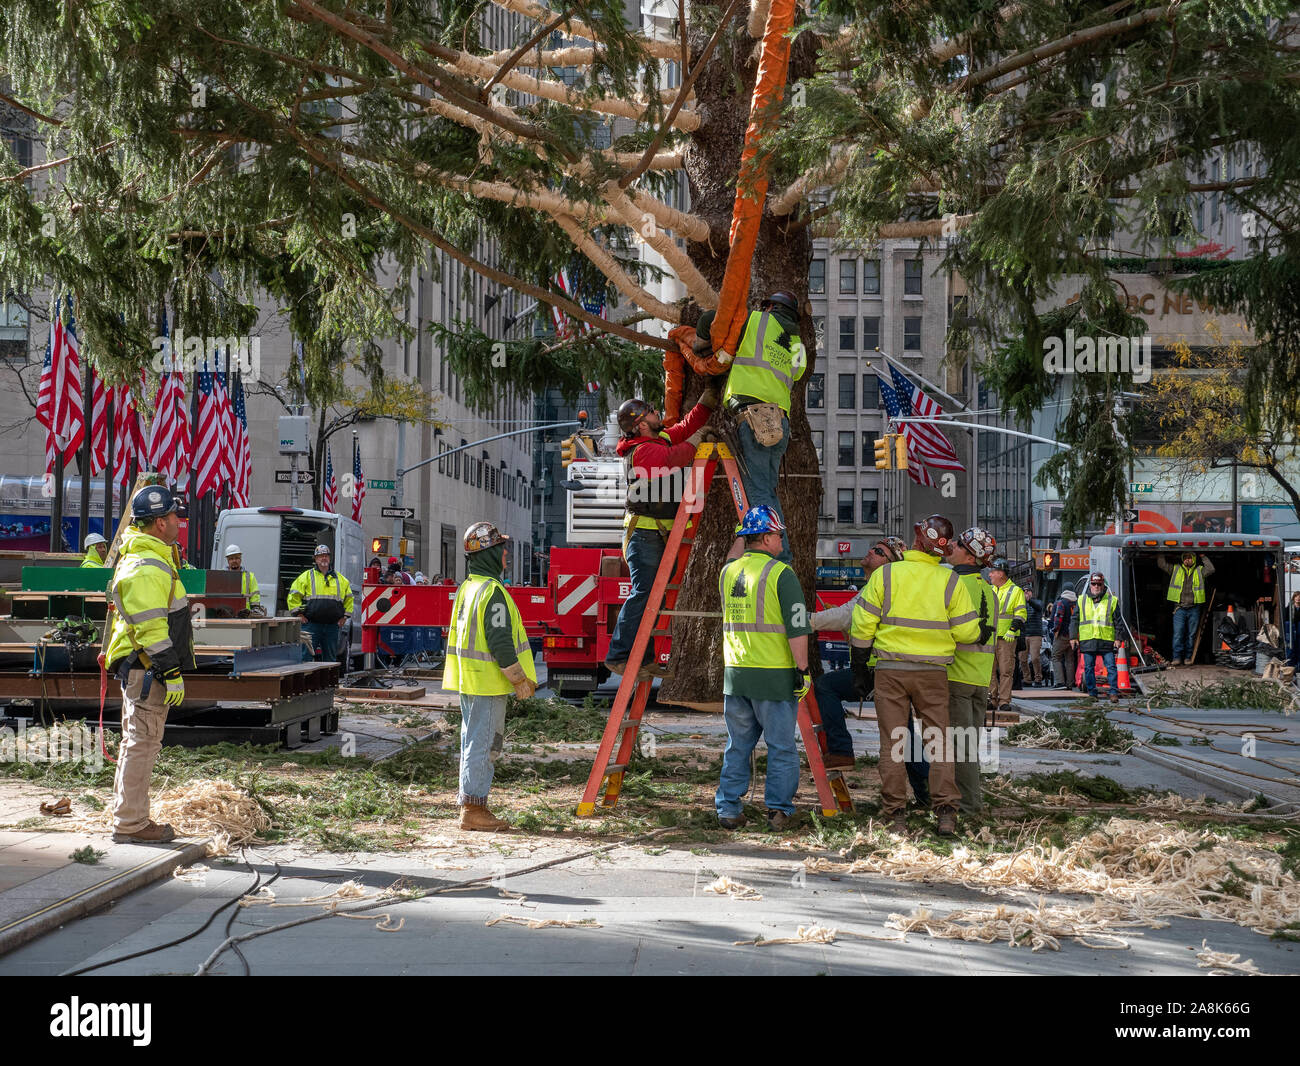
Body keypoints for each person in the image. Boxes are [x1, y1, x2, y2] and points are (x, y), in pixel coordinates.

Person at [850, 514, 980, 836]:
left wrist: (859, 666)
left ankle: (895, 816)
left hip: (890, 671)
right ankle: (946, 813)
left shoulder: (887, 575)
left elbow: (862, 626)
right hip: (933, 673)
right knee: (939, 744)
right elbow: (967, 633)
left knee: (894, 744)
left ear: (918, 538)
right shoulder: (950, 581)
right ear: (943, 548)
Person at [605, 384, 720, 675]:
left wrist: (704, 406)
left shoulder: (659, 440)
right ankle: (618, 654)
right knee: (643, 593)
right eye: (652, 413)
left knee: (654, 596)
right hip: (644, 535)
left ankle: (643, 659)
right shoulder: (643, 452)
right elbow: (675, 458)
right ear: (641, 424)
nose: (658, 414)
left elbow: (683, 428)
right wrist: (697, 440)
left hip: (657, 533)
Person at [102, 485, 194, 843]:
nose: (177, 521)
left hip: (141, 668)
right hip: (149, 670)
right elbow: (153, 629)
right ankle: (131, 824)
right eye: (173, 516)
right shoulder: (148, 565)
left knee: (136, 742)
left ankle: (128, 816)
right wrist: (171, 672)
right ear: (158, 523)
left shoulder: (149, 557)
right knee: (143, 743)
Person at [809, 536, 930, 803]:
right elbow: (851, 617)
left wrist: (808, 620)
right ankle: (927, 793)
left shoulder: (881, 584)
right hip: (894, 670)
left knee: (825, 686)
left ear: (890, 563)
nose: (870, 552)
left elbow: (849, 614)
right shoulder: (887, 587)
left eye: (879, 551)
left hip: (879, 671)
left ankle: (840, 750)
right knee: (905, 737)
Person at [715, 506, 811, 831]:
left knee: (738, 745)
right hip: (774, 676)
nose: (782, 539)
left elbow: (732, 556)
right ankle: (778, 812)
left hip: (737, 674)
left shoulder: (728, 573)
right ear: (767, 537)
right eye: (779, 534)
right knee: (782, 747)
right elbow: (797, 627)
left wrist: (740, 532)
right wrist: (803, 670)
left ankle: (728, 809)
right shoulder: (782, 574)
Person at [695, 292, 805, 564]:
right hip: (779, 423)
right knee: (766, 489)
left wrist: (700, 344)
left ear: (769, 306)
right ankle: (780, 550)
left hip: (754, 417)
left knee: (758, 491)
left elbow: (712, 318)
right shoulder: (797, 344)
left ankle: (775, 554)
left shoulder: (755, 320)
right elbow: (797, 372)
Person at [443, 521, 537, 831]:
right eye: (501, 549)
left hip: (471, 681)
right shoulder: (492, 592)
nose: (505, 554)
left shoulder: (468, 588)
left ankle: (470, 803)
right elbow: (499, 642)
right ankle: (473, 808)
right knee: (485, 744)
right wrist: (519, 680)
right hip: (488, 683)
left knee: (472, 741)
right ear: (488, 554)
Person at [945, 526, 999, 815]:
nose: (950, 546)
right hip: (979, 679)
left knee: (959, 749)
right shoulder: (988, 590)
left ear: (969, 555)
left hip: (956, 677)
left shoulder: (952, 584)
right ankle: (966, 801)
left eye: (957, 544)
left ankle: (967, 807)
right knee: (968, 746)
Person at [287, 544, 354, 663]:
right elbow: (293, 595)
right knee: (305, 657)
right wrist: (298, 614)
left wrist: (345, 617)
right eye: (320, 556)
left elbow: (349, 598)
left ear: (329, 558)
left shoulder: (341, 579)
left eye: (326, 556)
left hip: (332, 626)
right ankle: (305, 681)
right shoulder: (306, 576)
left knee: (330, 660)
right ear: (315, 559)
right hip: (311, 625)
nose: (324, 558)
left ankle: (329, 682)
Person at [1070, 571, 1125, 702]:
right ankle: (1092, 693)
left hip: (1106, 640)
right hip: (1088, 639)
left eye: (1099, 584)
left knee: (1111, 667)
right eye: (1094, 584)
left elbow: (1118, 621)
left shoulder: (1111, 601)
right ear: (1090, 585)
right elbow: (1074, 620)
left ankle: (1113, 692)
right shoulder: (1082, 600)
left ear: (1103, 585)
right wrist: (1073, 637)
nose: (1096, 587)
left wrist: (1118, 638)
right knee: (1089, 668)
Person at [1157, 552, 1215, 665]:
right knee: (1178, 634)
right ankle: (1176, 658)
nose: (1187, 560)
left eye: (1190, 558)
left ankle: (1188, 658)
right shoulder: (1176, 569)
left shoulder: (1200, 570)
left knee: (1191, 635)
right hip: (1179, 609)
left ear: (1193, 559)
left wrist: (1203, 556)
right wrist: (1161, 551)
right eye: (1185, 558)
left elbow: (1211, 569)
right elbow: (1162, 564)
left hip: (1194, 609)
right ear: (1182, 559)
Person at [987, 559, 1026, 713]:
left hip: (1006, 638)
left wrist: (1012, 628)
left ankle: (1004, 701)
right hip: (990, 637)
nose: (990, 575)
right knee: (989, 671)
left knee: (1005, 671)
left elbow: (1021, 613)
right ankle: (991, 698)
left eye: (993, 572)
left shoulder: (1016, 591)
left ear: (1001, 573)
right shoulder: (990, 589)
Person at [223, 543, 264, 617]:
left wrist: (254, 609)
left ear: (240, 559)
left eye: (236, 558)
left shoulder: (250, 576)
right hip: (225, 615)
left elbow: (255, 596)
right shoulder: (221, 576)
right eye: (231, 559)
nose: (234, 561)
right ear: (227, 560)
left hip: (245, 616)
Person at [1049, 589, 1078, 690]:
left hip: (1062, 635)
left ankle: (1060, 682)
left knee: (1055, 657)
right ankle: (1070, 683)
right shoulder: (1076, 602)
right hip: (1073, 636)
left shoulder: (1062, 602)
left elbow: (1058, 618)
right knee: (1070, 659)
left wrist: (1055, 630)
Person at [1019, 587, 1045, 687]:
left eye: (1028, 591)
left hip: (1035, 634)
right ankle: (1027, 679)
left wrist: (1029, 600)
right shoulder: (1020, 604)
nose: (1026, 593)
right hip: (1024, 634)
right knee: (1022, 659)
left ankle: (1038, 679)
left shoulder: (1038, 602)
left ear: (1032, 593)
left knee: (1035, 658)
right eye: (1024, 592)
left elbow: (1038, 607)